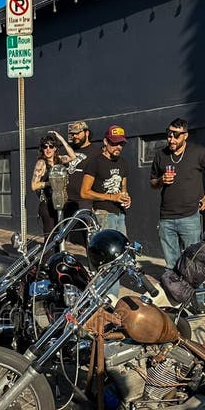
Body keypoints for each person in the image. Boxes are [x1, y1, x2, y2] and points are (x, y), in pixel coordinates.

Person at [150, 118, 205, 315]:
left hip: (190, 216)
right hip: (166, 218)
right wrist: (161, 180)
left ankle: (197, 302)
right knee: (172, 264)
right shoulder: (160, 156)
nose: (171, 138)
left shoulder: (198, 152)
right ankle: (175, 302)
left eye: (176, 135)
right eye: (169, 134)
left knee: (195, 264)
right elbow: (152, 182)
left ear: (185, 135)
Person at [80, 125, 130, 296]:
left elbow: (123, 189)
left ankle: (112, 299)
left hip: (120, 215)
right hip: (102, 215)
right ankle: (105, 299)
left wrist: (126, 198)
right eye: (115, 143)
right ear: (105, 141)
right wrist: (111, 198)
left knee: (120, 258)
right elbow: (84, 192)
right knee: (105, 261)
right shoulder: (94, 163)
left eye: (121, 144)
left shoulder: (123, 163)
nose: (118, 148)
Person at [31, 131, 76, 236]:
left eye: (51, 146)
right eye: (45, 146)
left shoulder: (59, 159)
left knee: (60, 236)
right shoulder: (41, 163)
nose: (48, 149)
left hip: (60, 201)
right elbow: (33, 186)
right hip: (47, 204)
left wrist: (61, 138)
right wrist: (51, 183)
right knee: (50, 237)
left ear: (55, 148)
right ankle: (48, 253)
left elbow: (73, 156)